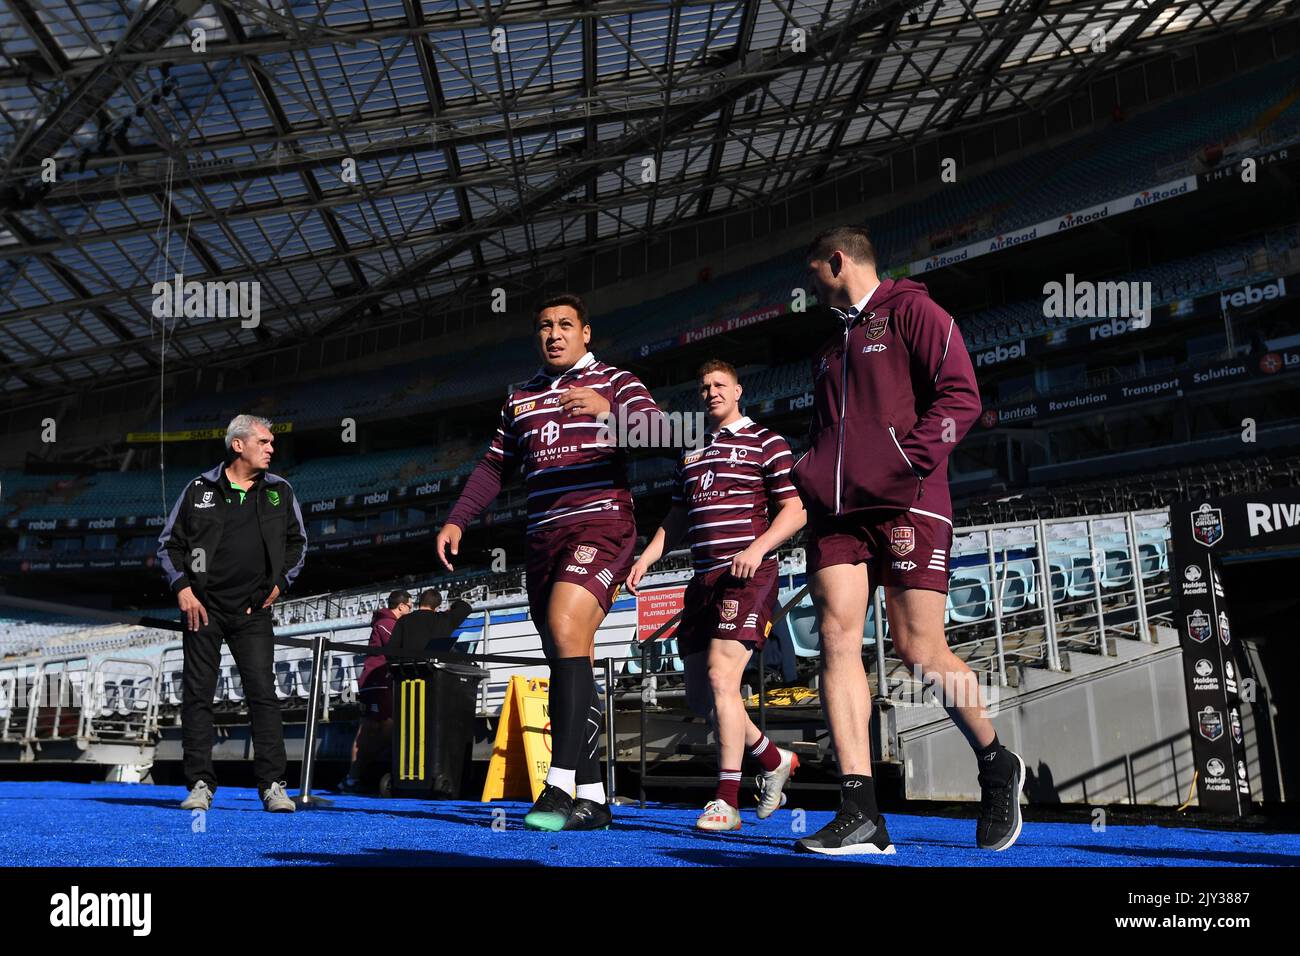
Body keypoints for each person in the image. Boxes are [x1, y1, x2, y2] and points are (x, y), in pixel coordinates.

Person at [791, 225, 1025, 854]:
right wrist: (808, 470)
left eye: (814, 273)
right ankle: (861, 809)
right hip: (836, 514)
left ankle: (996, 761)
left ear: (836, 261)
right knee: (837, 638)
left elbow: (962, 397)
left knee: (918, 648)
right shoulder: (827, 348)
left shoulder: (914, 310)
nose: (810, 287)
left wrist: (907, 463)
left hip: (907, 503)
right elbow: (827, 433)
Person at [435, 293, 663, 831]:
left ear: (587, 333)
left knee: (564, 625)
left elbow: (672, 435)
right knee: (567, 654)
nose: (554, 333)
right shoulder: (521, 396)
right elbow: (494, 467)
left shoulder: (615, 382)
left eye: (565, 324)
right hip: (541, 538)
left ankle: (557, 786)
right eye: (544, 326)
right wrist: (457, 519)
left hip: (602, 524)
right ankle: (593, 796)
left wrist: (611, 413)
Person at [626, 359, 806, 831]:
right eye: (704, 387)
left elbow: (796, 511)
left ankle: (726, 801)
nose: (711, 393)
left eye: (719, 385)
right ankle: (772, 758)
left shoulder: (767, 443)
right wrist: (647, 558)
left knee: (723, 681)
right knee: (703, 698)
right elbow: (676, 518)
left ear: (739, 390)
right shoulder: (691, 450)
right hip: (701, 581)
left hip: (749, 577)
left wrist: (758, 547)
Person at [157, 414, 308, 813]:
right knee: (198, 697)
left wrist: (281, 583)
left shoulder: (281, 491)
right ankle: (200, 784)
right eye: (264, 441)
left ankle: (274, 786)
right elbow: (169, 545)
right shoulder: (197, 489)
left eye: (272, 442)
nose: (272, 448)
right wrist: (183, 588)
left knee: (262, 695)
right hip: (202, 610)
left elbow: (298, 544)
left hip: (253, 610)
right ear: (238, 445)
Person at [338, 590, 412, 793]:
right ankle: (354, 775)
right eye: (410, 606)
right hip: (377, 682)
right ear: (401, 606)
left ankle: (353, 777)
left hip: (378, 682)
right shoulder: (387, 623)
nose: (411, 610)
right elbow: (397, 646)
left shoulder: (386, 622)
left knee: (371, 729)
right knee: (379, 728)